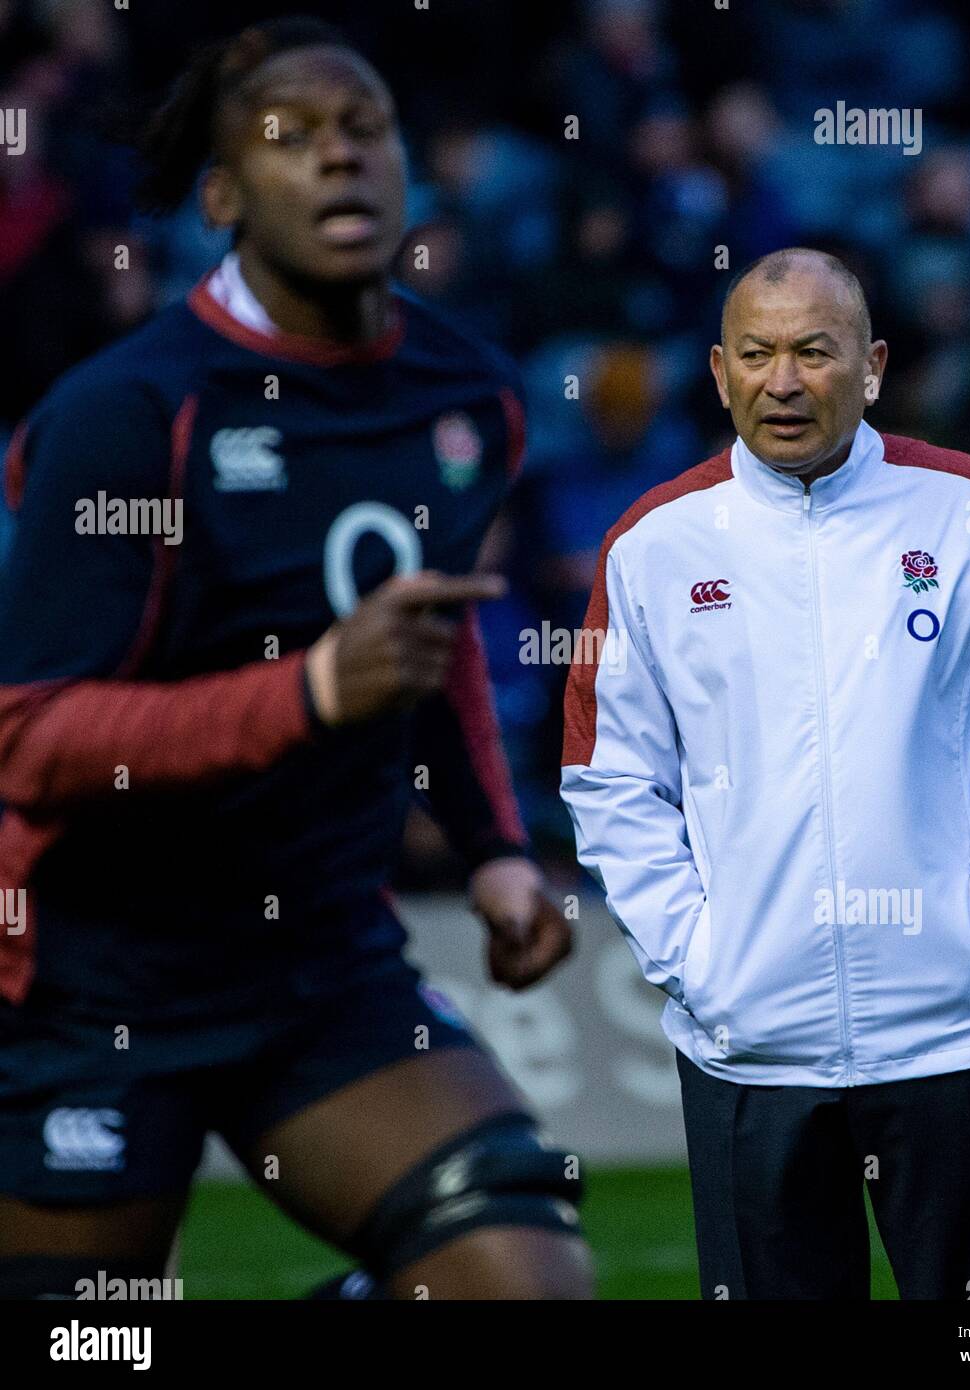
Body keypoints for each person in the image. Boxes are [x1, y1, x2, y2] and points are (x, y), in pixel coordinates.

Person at [0, 17, 591, 1301]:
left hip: (318, 964)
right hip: (88, 973)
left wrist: (492, 849)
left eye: (363, 129)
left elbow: (426, 653)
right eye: (289, 138)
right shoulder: (125, 416)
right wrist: (310, 692)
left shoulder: (468, 396)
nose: (338, 160)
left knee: (522, 1282)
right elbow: (29, 738)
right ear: (220, 196)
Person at [560, 246, 970, 1300]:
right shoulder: (652, 545)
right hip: (747, 1054)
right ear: (717, 374)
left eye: (814, 350)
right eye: (755, 354)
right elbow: (610, 780)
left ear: (872, 366)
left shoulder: (967, 511)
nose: (783, 379)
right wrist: (698, 959)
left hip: (955, 1038)